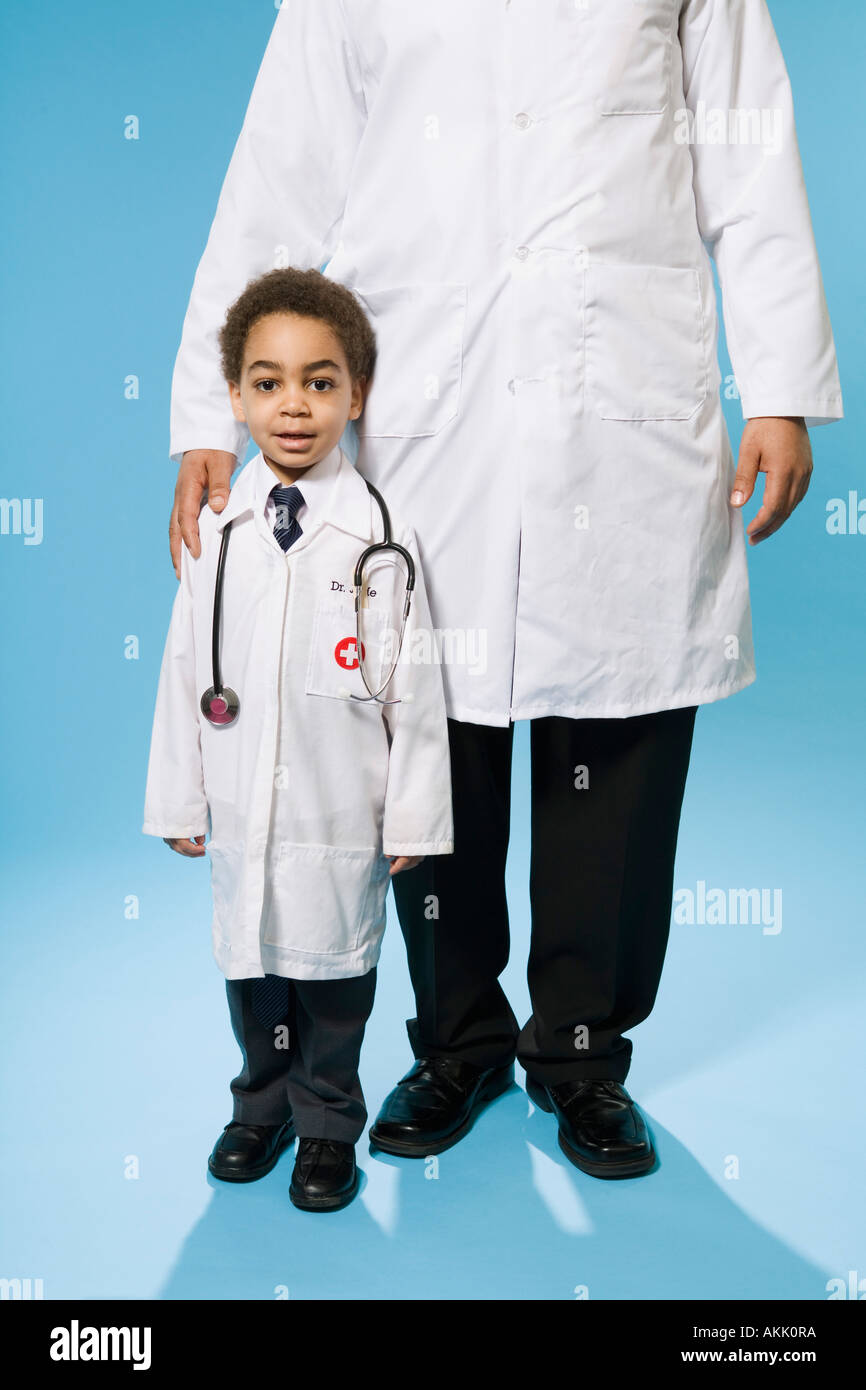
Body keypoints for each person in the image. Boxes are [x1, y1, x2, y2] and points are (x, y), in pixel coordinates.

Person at [167, 2, 842, 1178]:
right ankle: (455, 1044)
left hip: (618, 394)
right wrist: (205, 410)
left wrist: (780, 381)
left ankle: (582, 1057)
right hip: (429, 397)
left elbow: (748, 149)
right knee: (429, 737)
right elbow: (279, 167)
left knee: (619, 731)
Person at [143, 267, 454, 1210]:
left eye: (321, 382)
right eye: (269, 383)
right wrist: (177, 796)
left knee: (334, 988)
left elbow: (416, 698)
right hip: (241, 807)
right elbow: (183, 677)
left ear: (355, 396)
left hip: (337, 813)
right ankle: (259, 1107)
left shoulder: (380, 544)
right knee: (253, 979)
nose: (294, 406)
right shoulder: (218, 533)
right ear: (234, 398)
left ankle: (327, 1127)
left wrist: (415, 816)